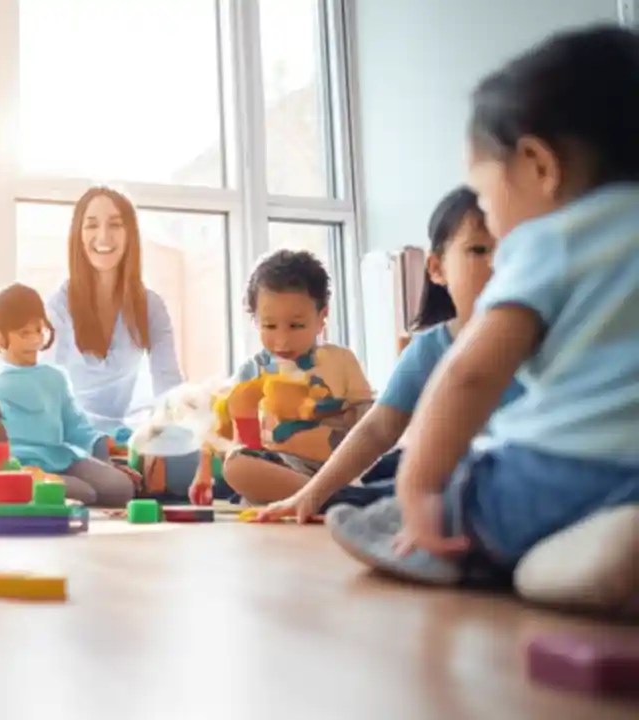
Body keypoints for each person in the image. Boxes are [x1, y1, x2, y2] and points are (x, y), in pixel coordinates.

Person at [327, 25, 639, 616]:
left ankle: (551, 562)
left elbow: (470, 374)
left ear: (538, 166)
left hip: (557, 478)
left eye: (487, 199)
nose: (494, 230)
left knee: (460, 502)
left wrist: (420, 487)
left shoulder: (553, 241)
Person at [254, 187, 522, 521]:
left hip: (528, 479)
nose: (498, 263)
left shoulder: (553, 338)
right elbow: (378, 429)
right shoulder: (430, 349)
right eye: (478, 249)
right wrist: (311, 495)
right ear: (437, 268)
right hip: (452, 482)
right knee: (402, 475)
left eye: (514, 248)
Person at [200, 249, 372, 504]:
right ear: (255, 320)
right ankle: (325, 499)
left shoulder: (341, 360)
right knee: (237, 465)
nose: (282, 340)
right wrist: (203, 475)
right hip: (282, 467)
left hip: (337, 468)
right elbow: (217, 424)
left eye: (296, 326)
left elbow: (369, 420)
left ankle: (327, 496)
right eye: (269, 326)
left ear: (322, 317)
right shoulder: (253, 370)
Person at [0, 283, 138, 507]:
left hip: (62, 458)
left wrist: (106, 445)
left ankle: (60, 487)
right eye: (24, 333)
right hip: (24, 467)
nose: (35, 340)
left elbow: (75, 426)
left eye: (38, 330)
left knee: (121, 488)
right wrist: (19, 469)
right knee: (84, 493)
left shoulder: (54, 378)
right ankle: (39, 487)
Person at [44, 186, 183, 431]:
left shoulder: (151, 307)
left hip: (129, 436)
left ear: (130, 234)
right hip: (73, 437)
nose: (104, 236)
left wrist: (166, 433)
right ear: (78, 235)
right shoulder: (59, 306)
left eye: (115, 224)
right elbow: (44, 390)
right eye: (92, 225)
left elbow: (168, 386)